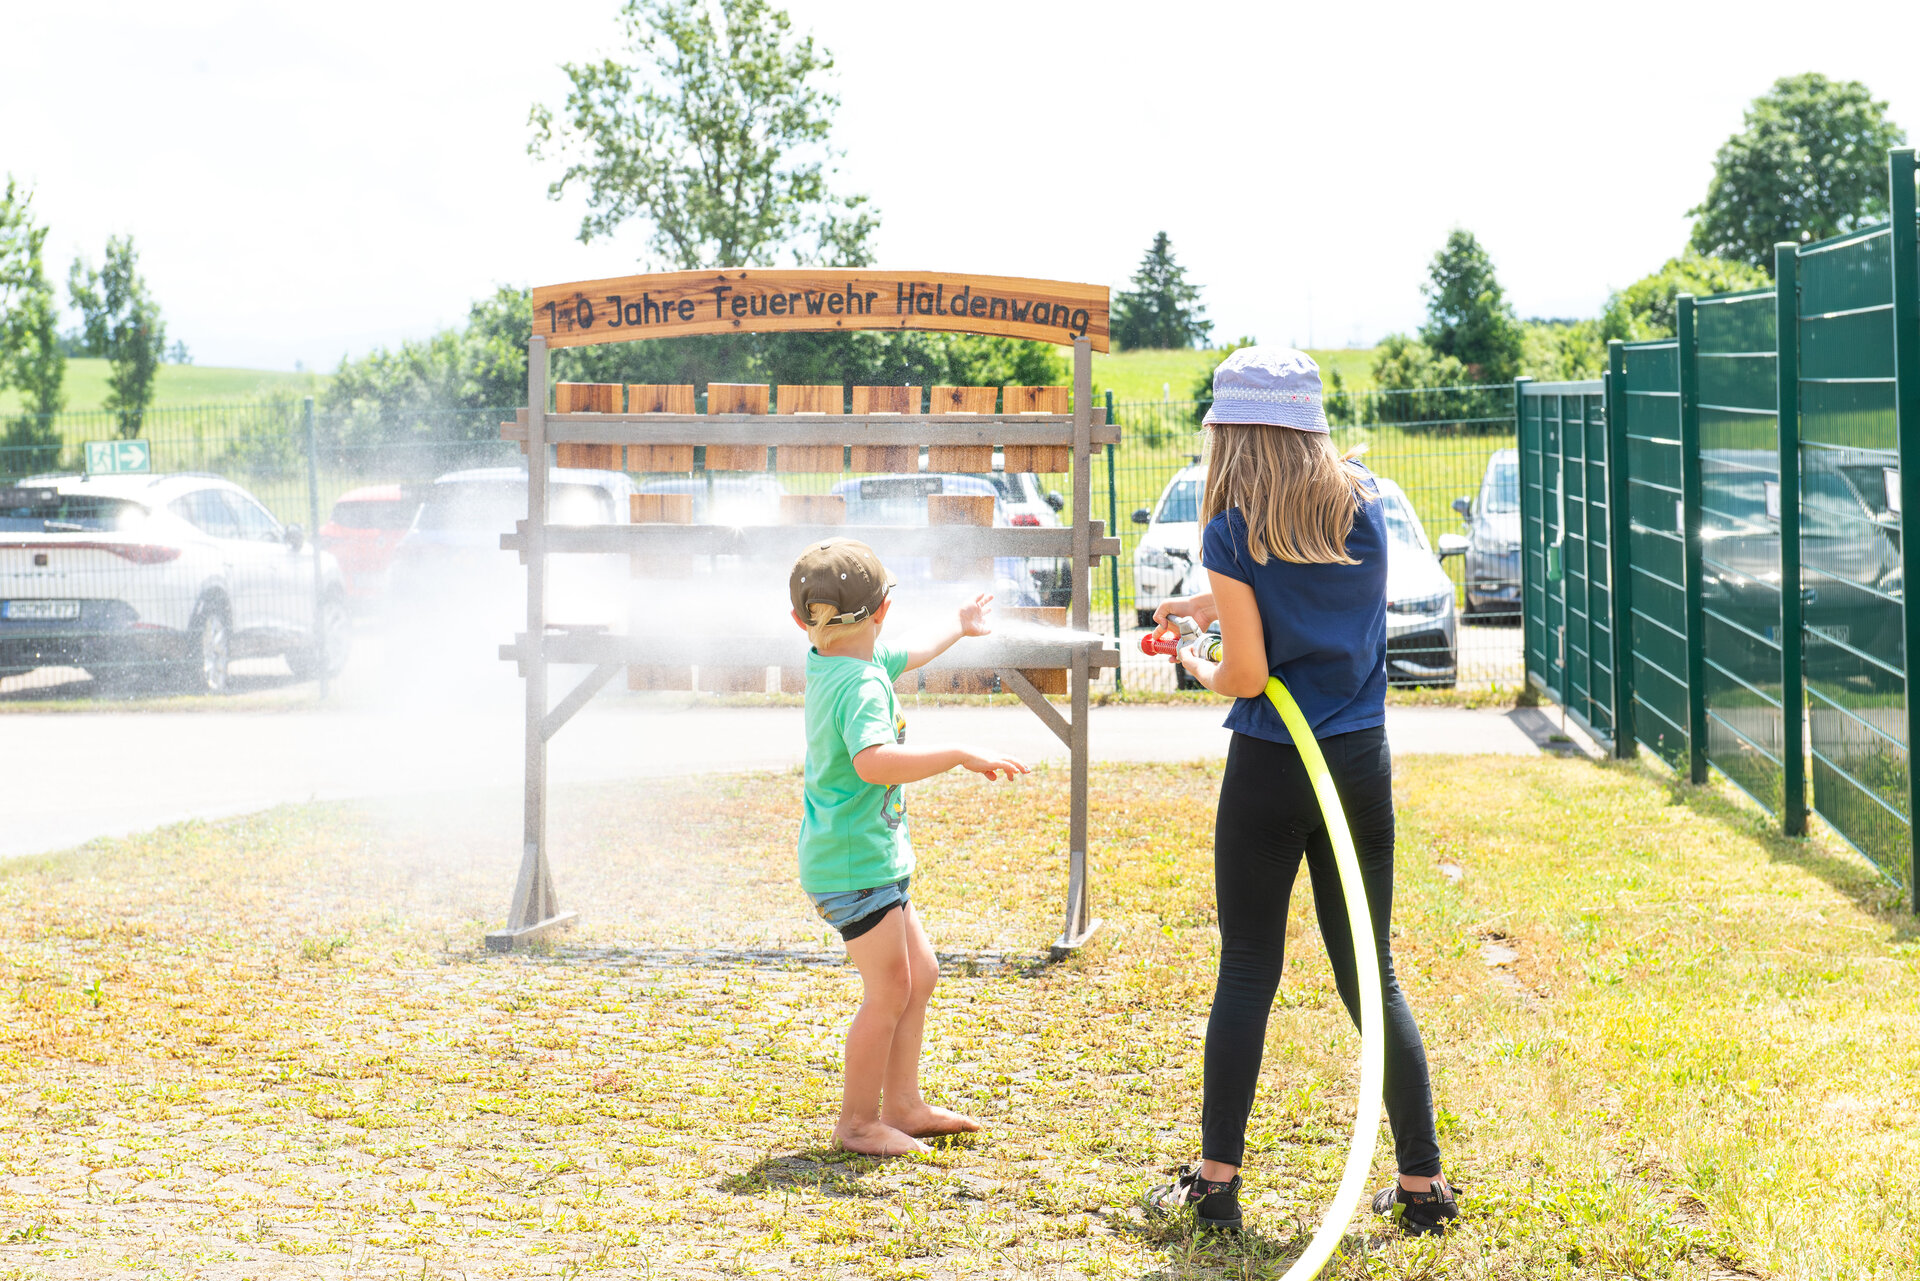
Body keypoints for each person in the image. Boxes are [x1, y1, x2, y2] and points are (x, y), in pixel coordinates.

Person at [1142, 348, 1458, 1235]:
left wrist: (1198, 657)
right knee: (1371, 971)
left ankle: (1215, 1184)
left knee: (1248, 965)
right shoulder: (1365, 503)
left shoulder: (1232, 527)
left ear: (1232, 431)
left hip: (1275, 762)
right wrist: (1209, 606)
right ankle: (1424, 1184)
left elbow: (1248, 673)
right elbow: (1311, 598)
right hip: (1357, 759)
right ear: (1312, 424)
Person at [789, 538, 1030, 1156]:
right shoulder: (861, 687)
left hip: (867, 858)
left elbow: (905, 655)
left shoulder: (835, 659)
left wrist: (958, 626)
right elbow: (873, 763)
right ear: (881, 611)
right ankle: (858, 1123)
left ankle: (904, 1104)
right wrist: (956, 754)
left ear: (802, 620)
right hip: (854, 867)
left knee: (918, 975)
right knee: (890, 990)